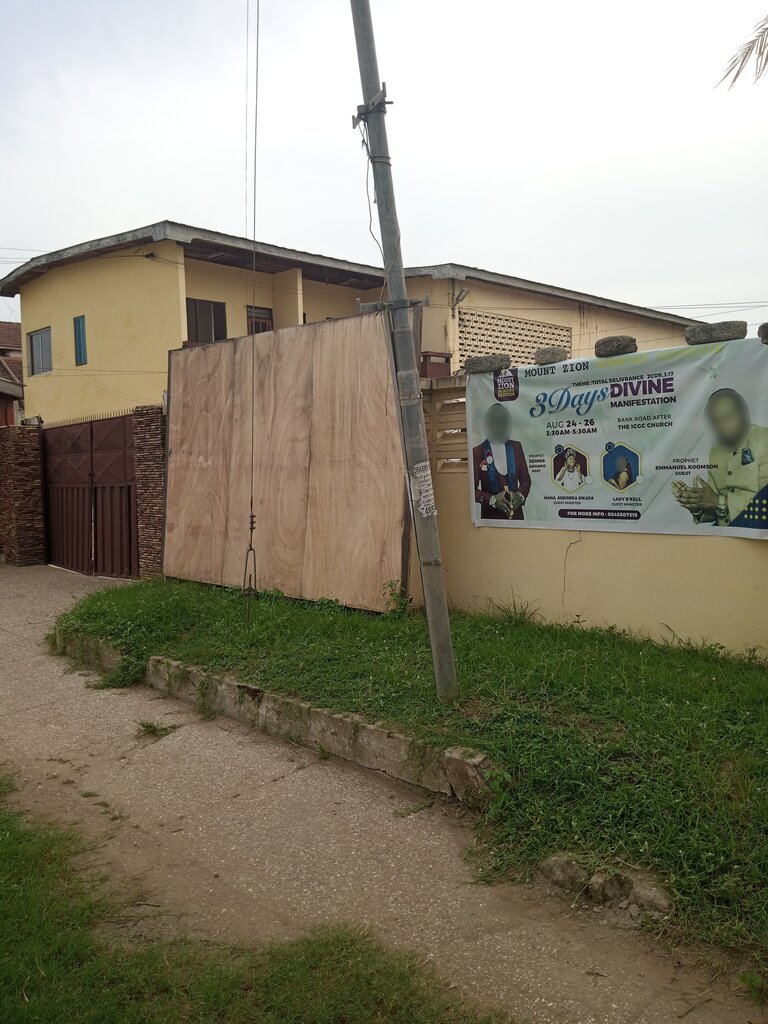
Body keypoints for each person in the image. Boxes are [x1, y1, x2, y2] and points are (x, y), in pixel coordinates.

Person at [672, 388, 768, 526]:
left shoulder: (764, 440)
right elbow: (716, 509)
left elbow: (764, 506)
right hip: (725, 533)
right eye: (715, 422)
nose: (721, 426)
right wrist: (698, 506)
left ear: (743, 414)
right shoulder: (716, 450)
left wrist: (718, 501)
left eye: (727, 417)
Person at [473, 403, 531, 520]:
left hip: (516, 518)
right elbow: (471, 490)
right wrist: (492, 500)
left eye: (502, 421)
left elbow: (526, 481)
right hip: (490, 520)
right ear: (487, 424)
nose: (498, 426)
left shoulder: (516, 447)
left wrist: (520, 496)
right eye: (494, 421)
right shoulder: (477, 452)